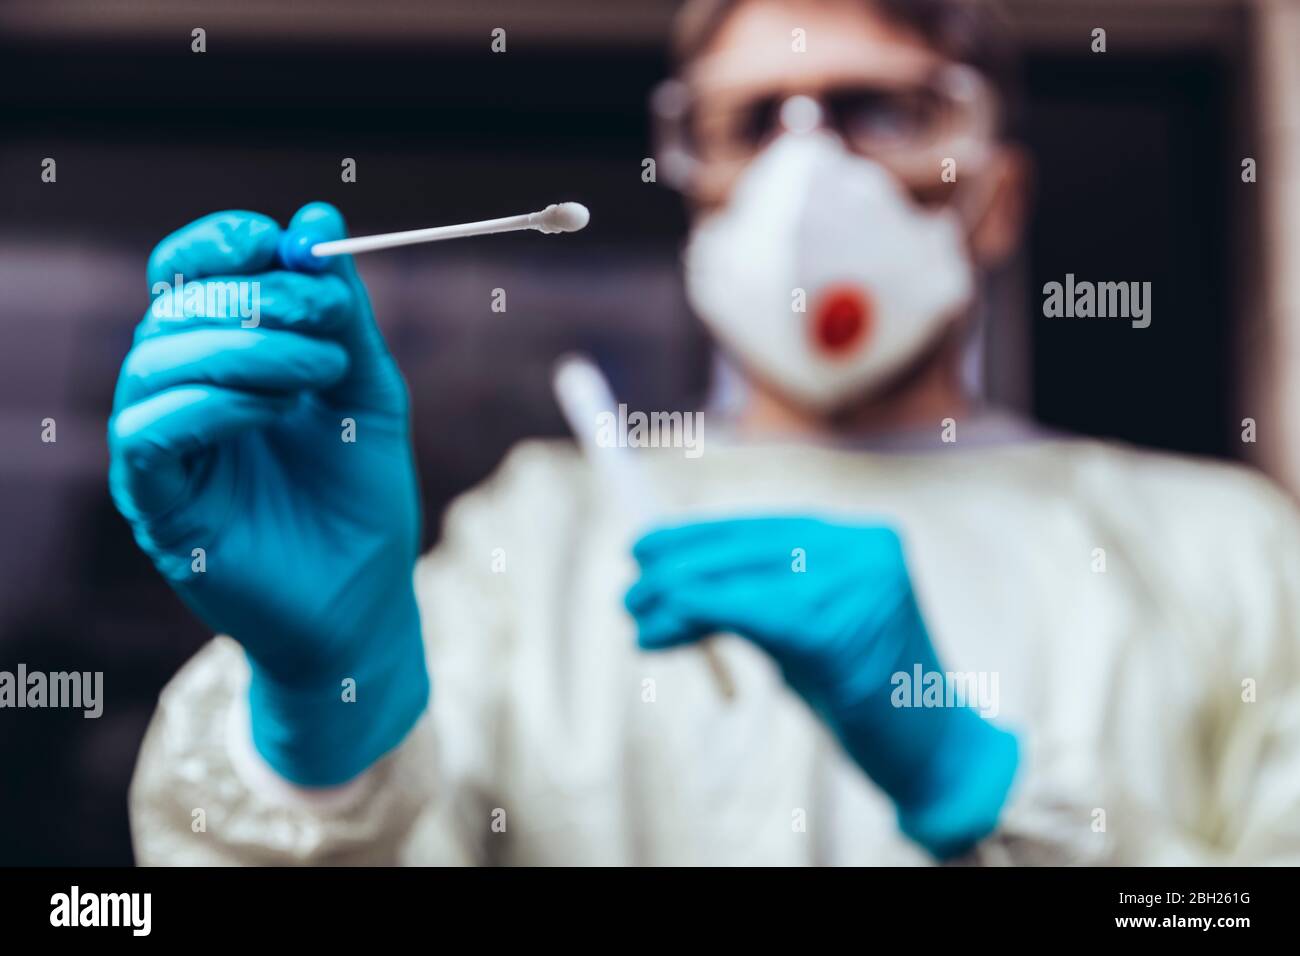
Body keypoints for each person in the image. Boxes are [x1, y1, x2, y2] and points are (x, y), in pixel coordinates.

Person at [115, 0, 1300, 865]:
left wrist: (980, 784)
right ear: (692, 178)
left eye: (876, 109)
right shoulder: (543, 533)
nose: (807, 171)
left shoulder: (1217, 545)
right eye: (746, 124)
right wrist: (322, 705)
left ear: (996, 193)